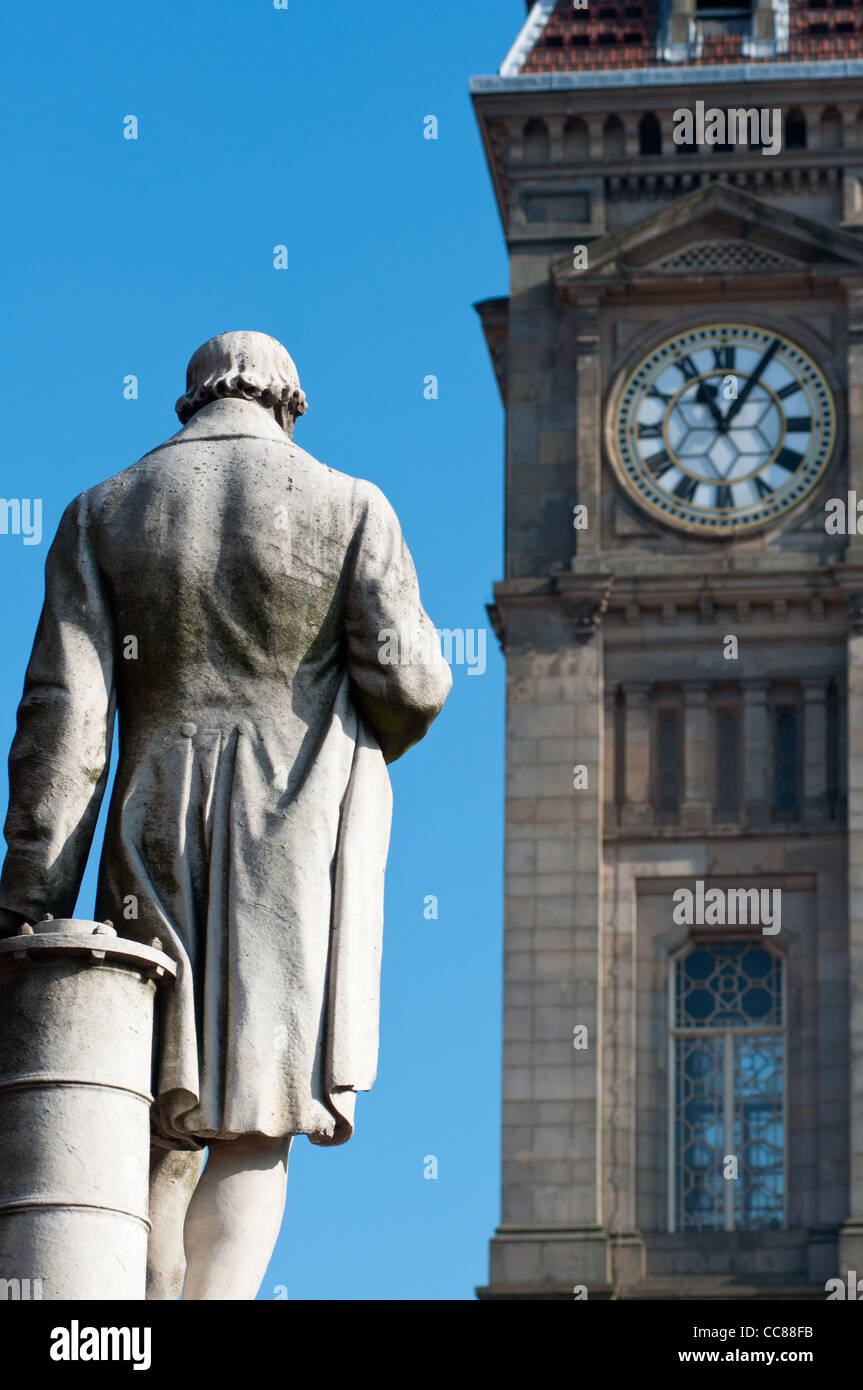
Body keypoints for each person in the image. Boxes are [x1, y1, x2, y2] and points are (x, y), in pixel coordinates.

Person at [0, 331, 451, 1299]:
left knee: (155, 1107)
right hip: (286, 840)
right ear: (288, 402)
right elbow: (412, 683)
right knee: (254, 1117)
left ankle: (133, 1313)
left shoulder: (102, 512)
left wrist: (31, 896)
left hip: (146, 820)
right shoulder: (351, 506)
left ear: (189, 402)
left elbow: (63, 726)